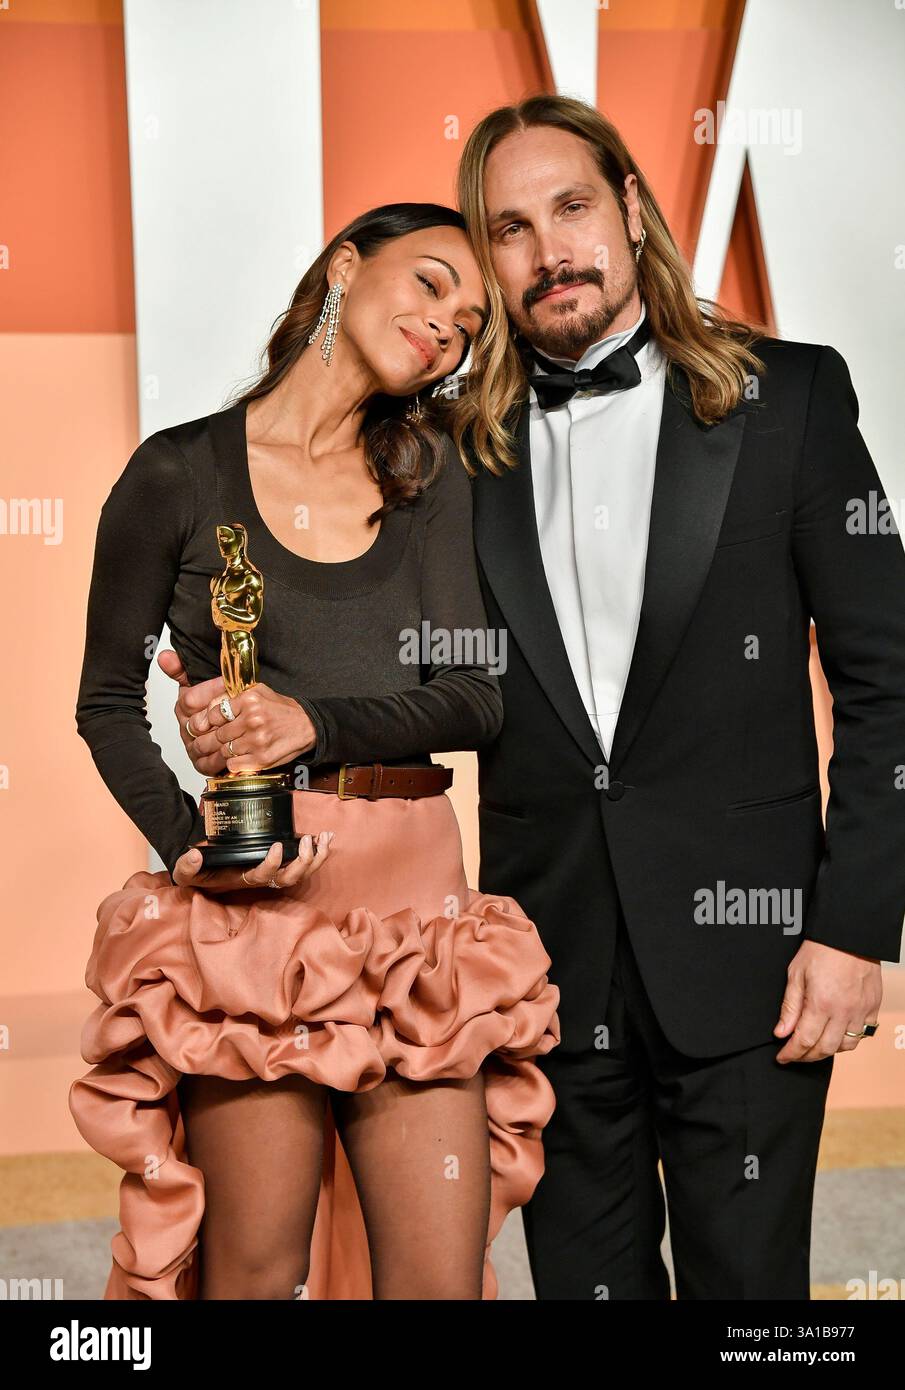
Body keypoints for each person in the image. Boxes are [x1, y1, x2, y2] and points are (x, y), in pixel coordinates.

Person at [443, 95, 904, 1300]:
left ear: (631, 210)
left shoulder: (788, 398)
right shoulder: (452, 449)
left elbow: (886, 679)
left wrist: (853, 927)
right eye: (507, 228)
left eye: (571, 207)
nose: (547, 250)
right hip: (547, 970)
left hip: (754, 962)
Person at [68, 202, 560, 1302]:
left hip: (418, 921)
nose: (447, 325)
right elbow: (106, 701)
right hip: (256, 928)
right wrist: (187, 836)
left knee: (438, 1280)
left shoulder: (432, 473)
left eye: (470, 318)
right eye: (430, 283)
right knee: (252, 1272)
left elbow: (476, 696)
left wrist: (313, 721)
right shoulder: (177, 474)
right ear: (344, 265)